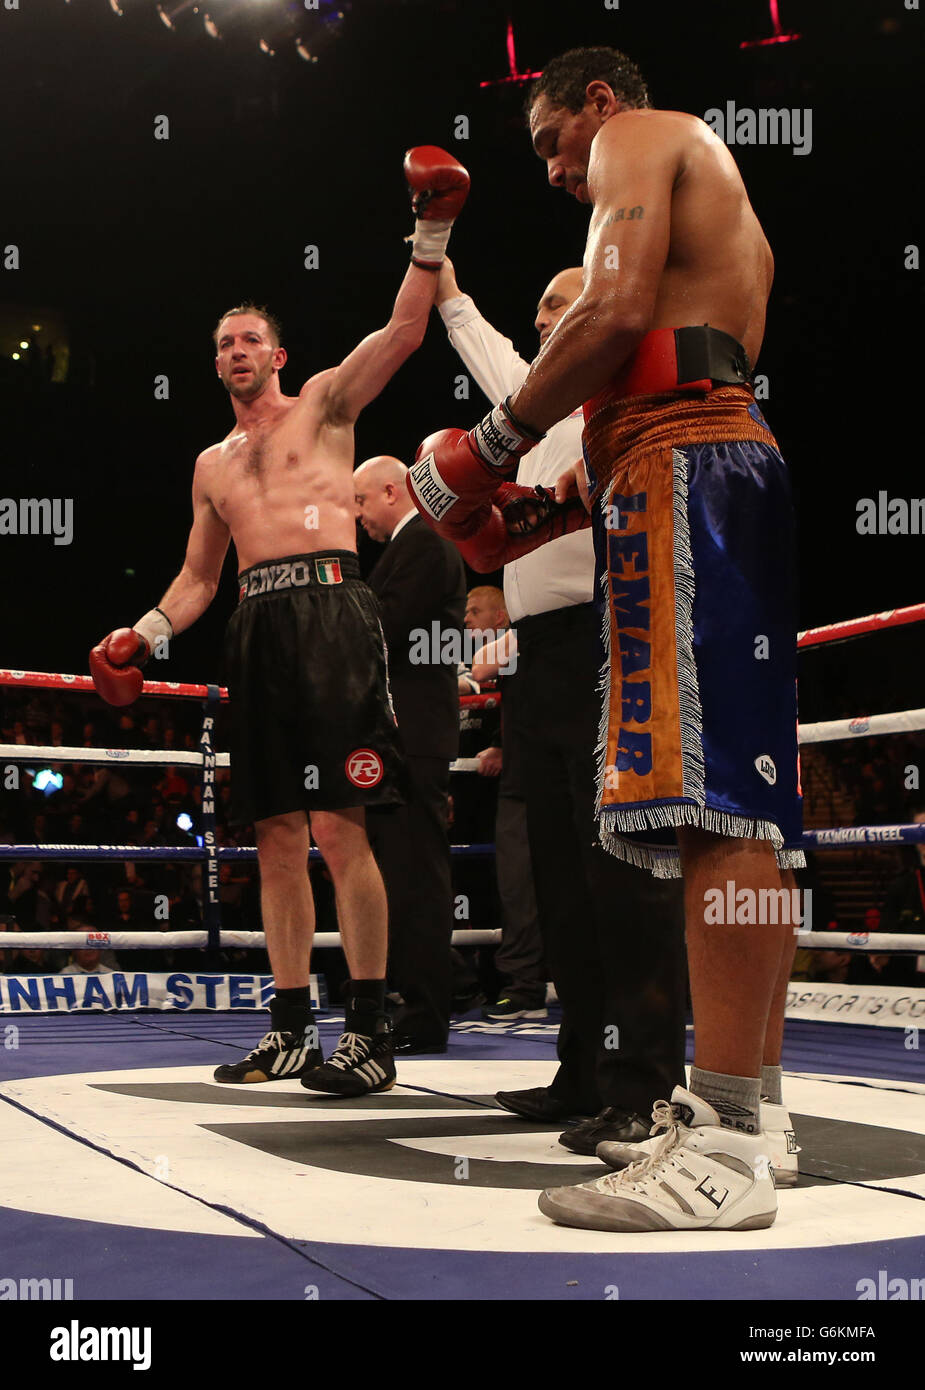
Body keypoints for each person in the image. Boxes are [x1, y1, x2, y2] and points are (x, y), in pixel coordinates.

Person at [407, 47, 805, 1231]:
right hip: (667, 463)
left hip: (687, 465)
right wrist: (513, 515)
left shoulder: (645, 134)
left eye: (550, 143)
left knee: (713, 802)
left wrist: (481, 450)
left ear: (595, 103)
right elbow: (653, 359)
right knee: (716, 808)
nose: (553, 171)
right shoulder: (702, 214)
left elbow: (616, 310)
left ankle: (727, 1144)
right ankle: (749, 1118)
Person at [90, 147, 470, 1097]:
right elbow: (194, 577)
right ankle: (291, 1026)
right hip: (255, 625)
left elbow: (405, 329)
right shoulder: (212, 467)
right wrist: (143, 632)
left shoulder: (328, 408)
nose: (236, 354)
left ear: (279, 354)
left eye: (250, 340)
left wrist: (432, 227)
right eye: (223, 345)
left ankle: (371, 1031)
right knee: (272, 838)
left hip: (334, 614)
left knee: (343, 832)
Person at [433, 256, 687, 1151]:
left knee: (616, 866)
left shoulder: (619, 406)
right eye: (540, 305)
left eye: (565, 302)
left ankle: (647, 1086)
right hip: (536, 661)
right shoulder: (532, 412)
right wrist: (434, 249)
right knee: (557, 874)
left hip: (610, 638)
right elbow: (470, 328)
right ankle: (583, 1070)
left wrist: (506, 514)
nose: (546, 319)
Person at [355, 454, 466, 1052]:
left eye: (361, 501)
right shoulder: (415, 548)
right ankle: (420, 1000)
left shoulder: (424, 544)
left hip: (414, 736)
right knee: (403, 871)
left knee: (417, 874)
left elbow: (384, 628)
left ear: (393, 491)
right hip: (406, 736)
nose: (357, 515)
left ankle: (426, 1013)